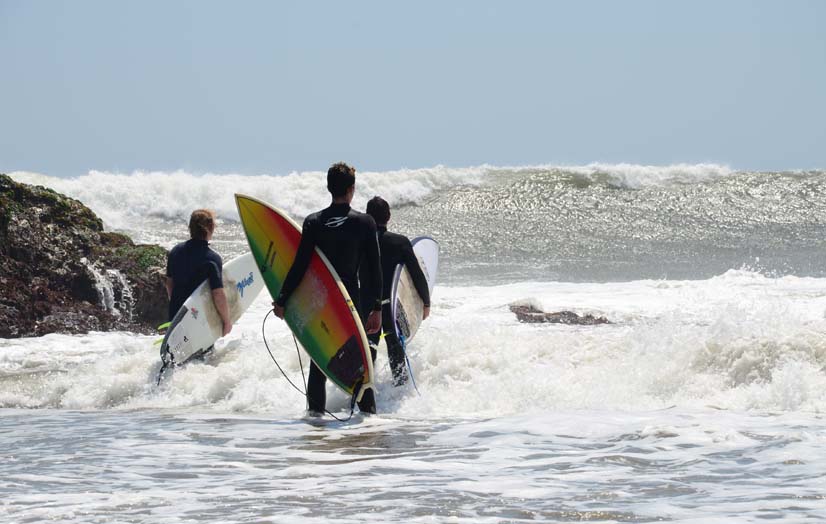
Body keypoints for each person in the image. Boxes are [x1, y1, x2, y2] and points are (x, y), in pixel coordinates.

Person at [273, 162, 382, 415]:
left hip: (321, 303)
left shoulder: (314, 222)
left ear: (328, 188)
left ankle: (315, 423)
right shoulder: (365, 223)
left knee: (318, 363)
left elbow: (299, 266)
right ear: (352, 189)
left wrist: (282, 299)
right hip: (351, 303)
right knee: (359, 367)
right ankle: (368, 423)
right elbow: (374, 270)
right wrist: (376, 308)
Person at [361, 196, 430, 386]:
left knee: (368, 351)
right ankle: (398, 395)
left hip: (366, 306)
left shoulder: (359, 243)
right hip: (393, 305)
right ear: (389, 216)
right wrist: (426, 302)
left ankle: (363, 394)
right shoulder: (399, 242)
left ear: (367, 216)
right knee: (395, 350)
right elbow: (416, 274)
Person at [165, 209, 232, 362]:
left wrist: (177, 306)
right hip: (198, 319)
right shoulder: (212, 259)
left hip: (177, 316)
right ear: (211, 228)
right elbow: (218, 294)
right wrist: (227, 320)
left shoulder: (175, 252)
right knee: (201, 360)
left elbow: (169, 283)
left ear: (190, 228)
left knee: (175, 359)